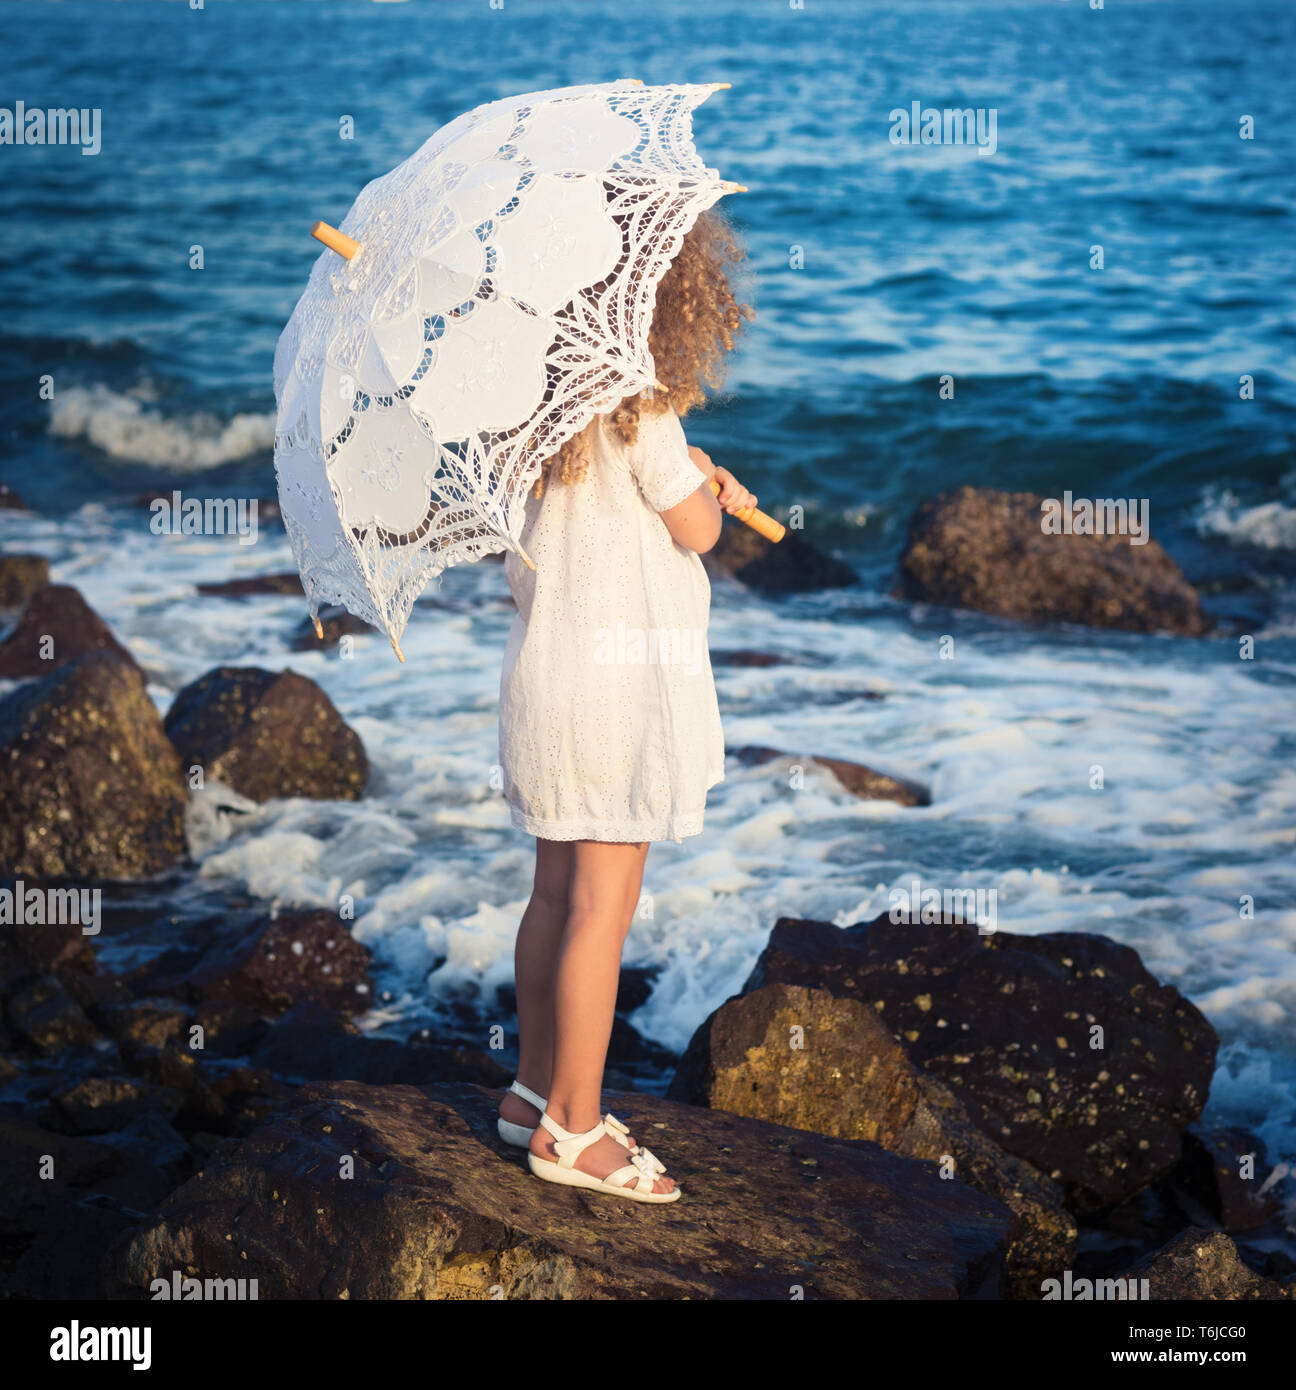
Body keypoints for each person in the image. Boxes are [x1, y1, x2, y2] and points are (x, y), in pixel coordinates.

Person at [495, 209, 756, 1203]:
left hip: (546, 687)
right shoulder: (640, 403)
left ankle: (530, 1086)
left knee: (554, 897)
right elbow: (691, 527)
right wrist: (709, 488)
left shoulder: (523, 410)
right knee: (603, 909)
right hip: (614, 696)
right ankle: (571, 1125)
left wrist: (694, 482)